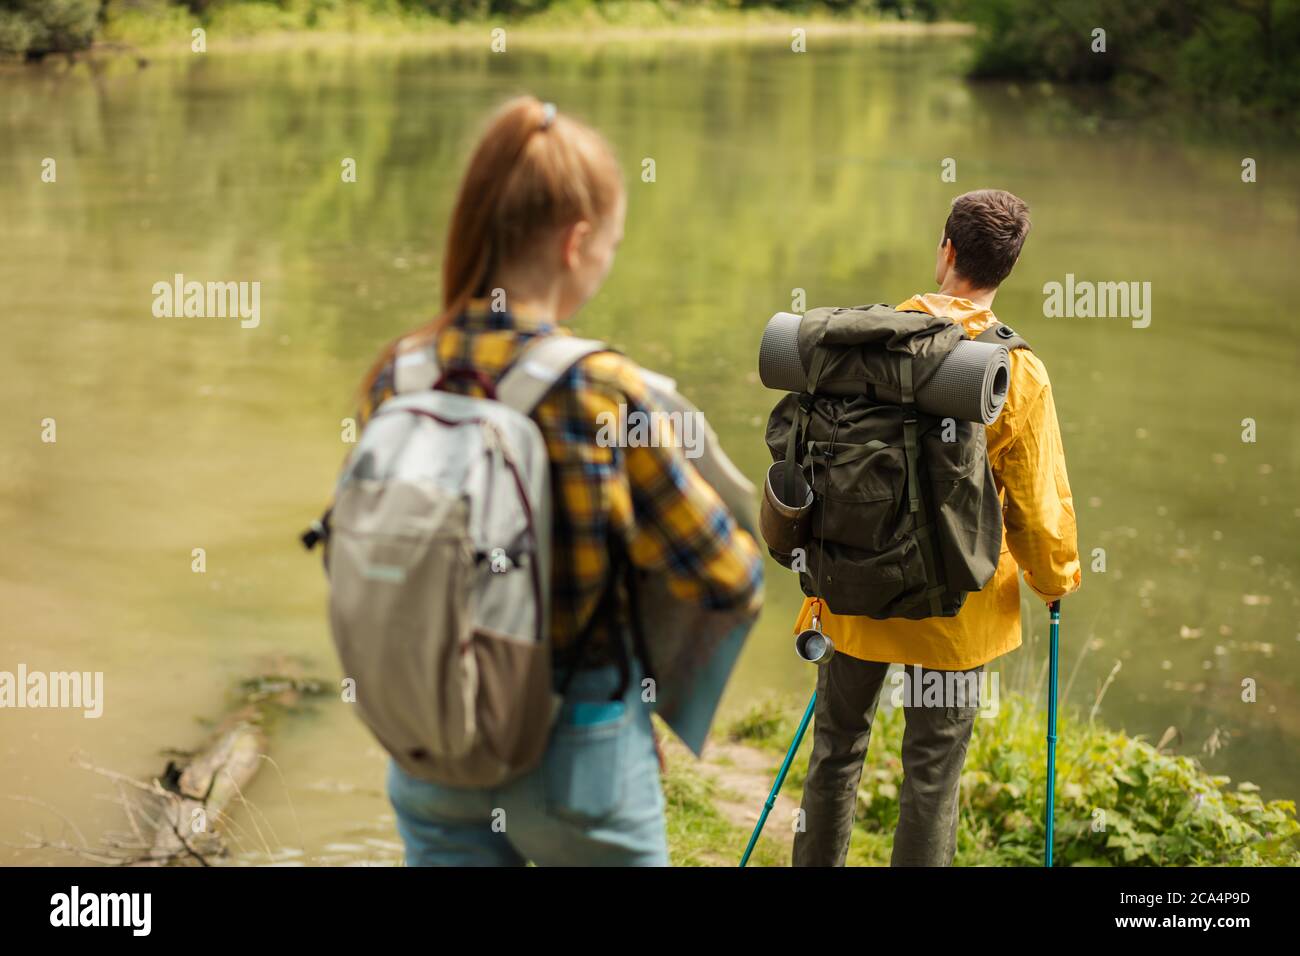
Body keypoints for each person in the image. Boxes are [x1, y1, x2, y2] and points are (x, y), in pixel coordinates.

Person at [354, 96, 763, 867]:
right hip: (579, 756)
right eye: (612, 243)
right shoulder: (598, 387)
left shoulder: (400, 374)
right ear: (577, 243)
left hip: (431, 745)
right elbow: (726, 573)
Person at [791, 189, 1081, 867]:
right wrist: (1055, 579)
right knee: (931, 776)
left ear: (945, 250)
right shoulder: (1015, 371)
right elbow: (1035, 507)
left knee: (835, 752)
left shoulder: (866, 340)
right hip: (956, 608)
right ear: (1006, 269)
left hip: (855, 589)